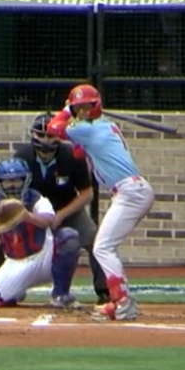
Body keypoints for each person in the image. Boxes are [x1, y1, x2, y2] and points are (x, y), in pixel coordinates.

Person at [45, 84, 155, 322]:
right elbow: (78, 153)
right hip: (131, 190)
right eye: (79, 108)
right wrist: (76, 117)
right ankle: (120, 300)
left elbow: (52, 128)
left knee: (102, 248)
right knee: (105, 246)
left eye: (86, 107)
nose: (82, 112)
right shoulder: (103, 126)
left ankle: (123, 303)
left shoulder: (89, 129)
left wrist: (67, 111)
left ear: (95, 106)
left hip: (130, 192)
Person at [11, 112, 108, 304]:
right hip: (32, 212)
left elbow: (87, 193)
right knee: (2, 235)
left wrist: (61, 215)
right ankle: (4, 289)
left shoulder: (73, 155)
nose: (45, 141)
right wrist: (28, 216)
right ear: (33, 135)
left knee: (96, 240)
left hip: (67, 209)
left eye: (50, 135)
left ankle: (104, 291)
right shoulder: (22, 157)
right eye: (41, 135)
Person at [0, 158, 82, 310]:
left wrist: (26, 216)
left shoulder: (37, 200)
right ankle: (14, 293)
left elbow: (48, 221)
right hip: (16, 262)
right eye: (7, 181)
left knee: (68, 237)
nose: (12, 185)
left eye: (17, 180)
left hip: (44, 257)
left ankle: (60, 294)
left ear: (26, 180)